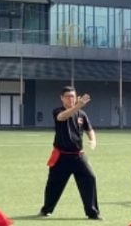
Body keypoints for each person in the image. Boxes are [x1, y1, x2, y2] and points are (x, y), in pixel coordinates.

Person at [39, 86, 101, 219]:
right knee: (54, 184)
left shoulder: (82, 114)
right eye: (67, 96)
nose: (70, 99)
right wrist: (78, 106)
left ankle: (92, 213)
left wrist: (93, 140)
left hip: (78, 156)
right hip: (61, 156)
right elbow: (63, 117)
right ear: (62, 98)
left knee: (90, 178)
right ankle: (46, 210)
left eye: (73, 96)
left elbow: (89, 129)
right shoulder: (57, 111)